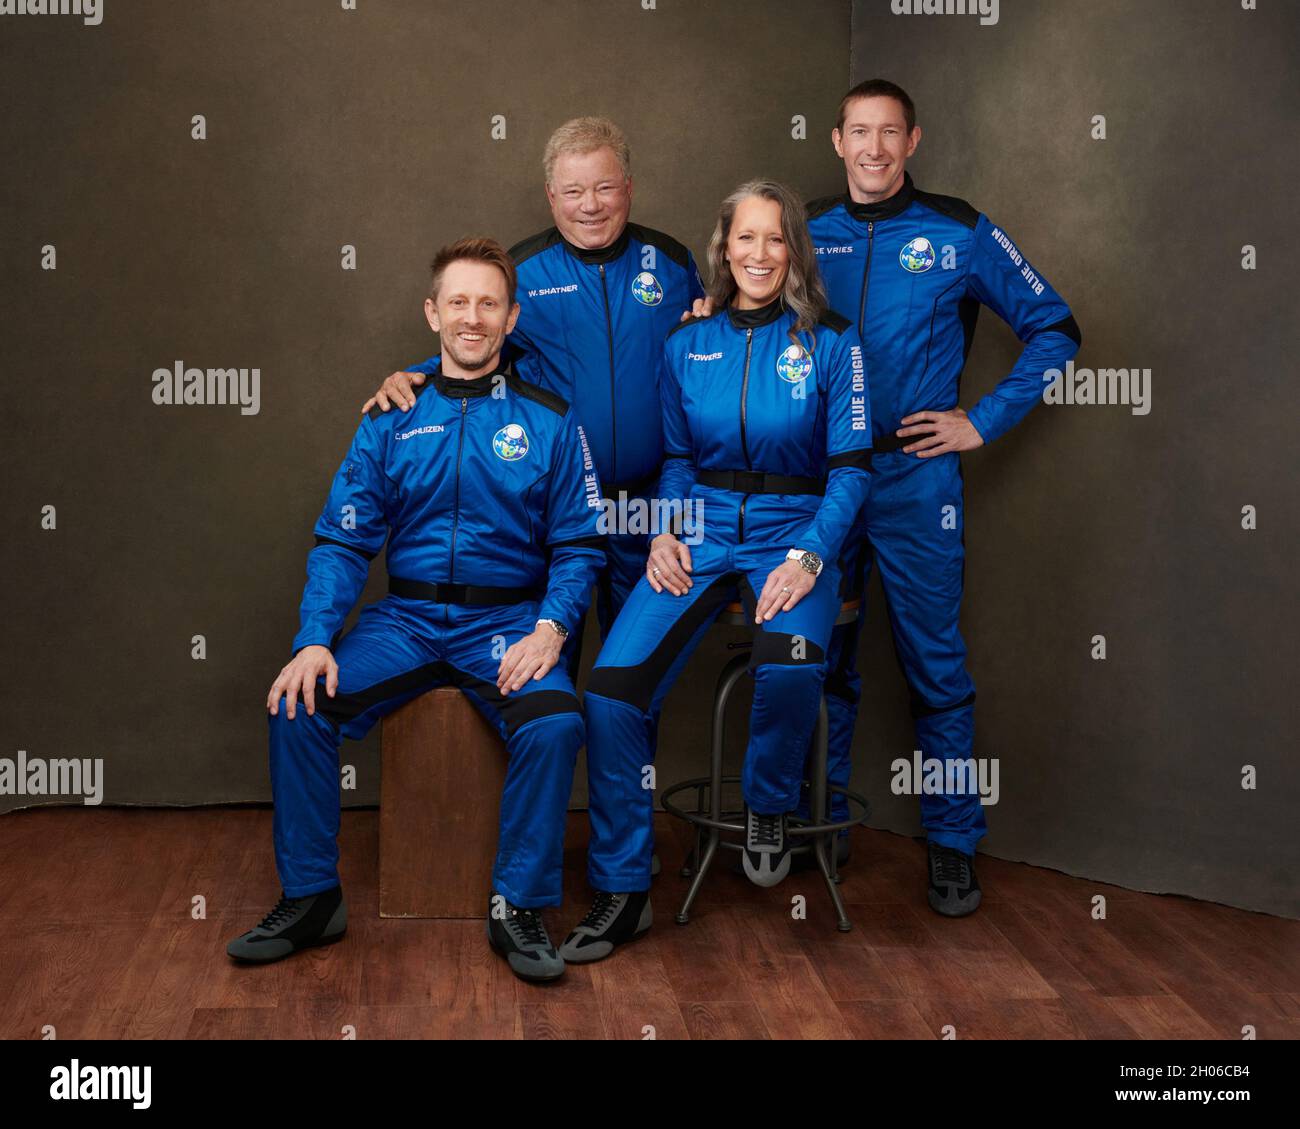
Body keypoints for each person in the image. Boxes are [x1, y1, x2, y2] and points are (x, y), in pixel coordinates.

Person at [226, 238, 605, 983]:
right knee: (298, 705)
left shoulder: (552, 421)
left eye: (489, 303)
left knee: (556, 722)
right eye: (458, 302)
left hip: (505, 624)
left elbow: (580, 546)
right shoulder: (391, 415)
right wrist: (313, 639)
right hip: (405, 622)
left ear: (512, 317)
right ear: (432, 313)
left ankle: (517, 907)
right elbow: (343, 540)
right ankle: (311, 898)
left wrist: (550, 628)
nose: (473, 318)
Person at [556, 180, 873, 963]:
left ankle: (769, 803)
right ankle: (624, 889)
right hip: (700, 526)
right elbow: (676, 457)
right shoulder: (687, 344)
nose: (760, 253)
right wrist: (666, 528)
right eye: (746, 238)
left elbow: (853, 471)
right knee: (611, 690)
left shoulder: (834, 342)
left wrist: (810, 554)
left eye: (776, 238)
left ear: (794, 250)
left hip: (794, 529)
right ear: (723, 250)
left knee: (791, 663)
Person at [806, 80, 1082, 916]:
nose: (875, 148)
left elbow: (1056, 327)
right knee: (820, 657)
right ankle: (823, 823)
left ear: (913, 141)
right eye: (860, 132)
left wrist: (981, 420)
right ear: (837, 140)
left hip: (916, 481)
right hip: (824, 479)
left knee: (934, 664)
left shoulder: (958, 230)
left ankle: (954, 843)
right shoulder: (804, 231)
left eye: (890, 133)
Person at [364, 117, 705, 654]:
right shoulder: (522, 270)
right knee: (545, 663)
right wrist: (418, 376)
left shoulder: (671, 263)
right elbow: (476, 341)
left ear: (629, 187)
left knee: (633, 675)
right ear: (551, 196)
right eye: (573, 191)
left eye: (604, 187)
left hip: (649, 506)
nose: (590, 205)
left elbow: (713, 349)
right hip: (553, 509)